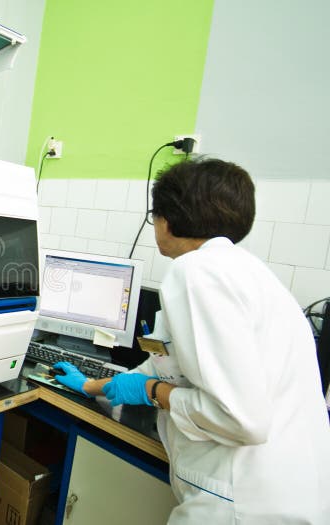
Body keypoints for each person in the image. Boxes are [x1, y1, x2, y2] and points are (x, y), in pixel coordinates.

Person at [54, 158, 330, 524]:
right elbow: (170, 362)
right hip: (291, 492)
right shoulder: (249, 273)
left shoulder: (196, 271)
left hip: (242, 501)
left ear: (167, 220)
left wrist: (153, 391)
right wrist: (92, 385)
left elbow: (242, 419)